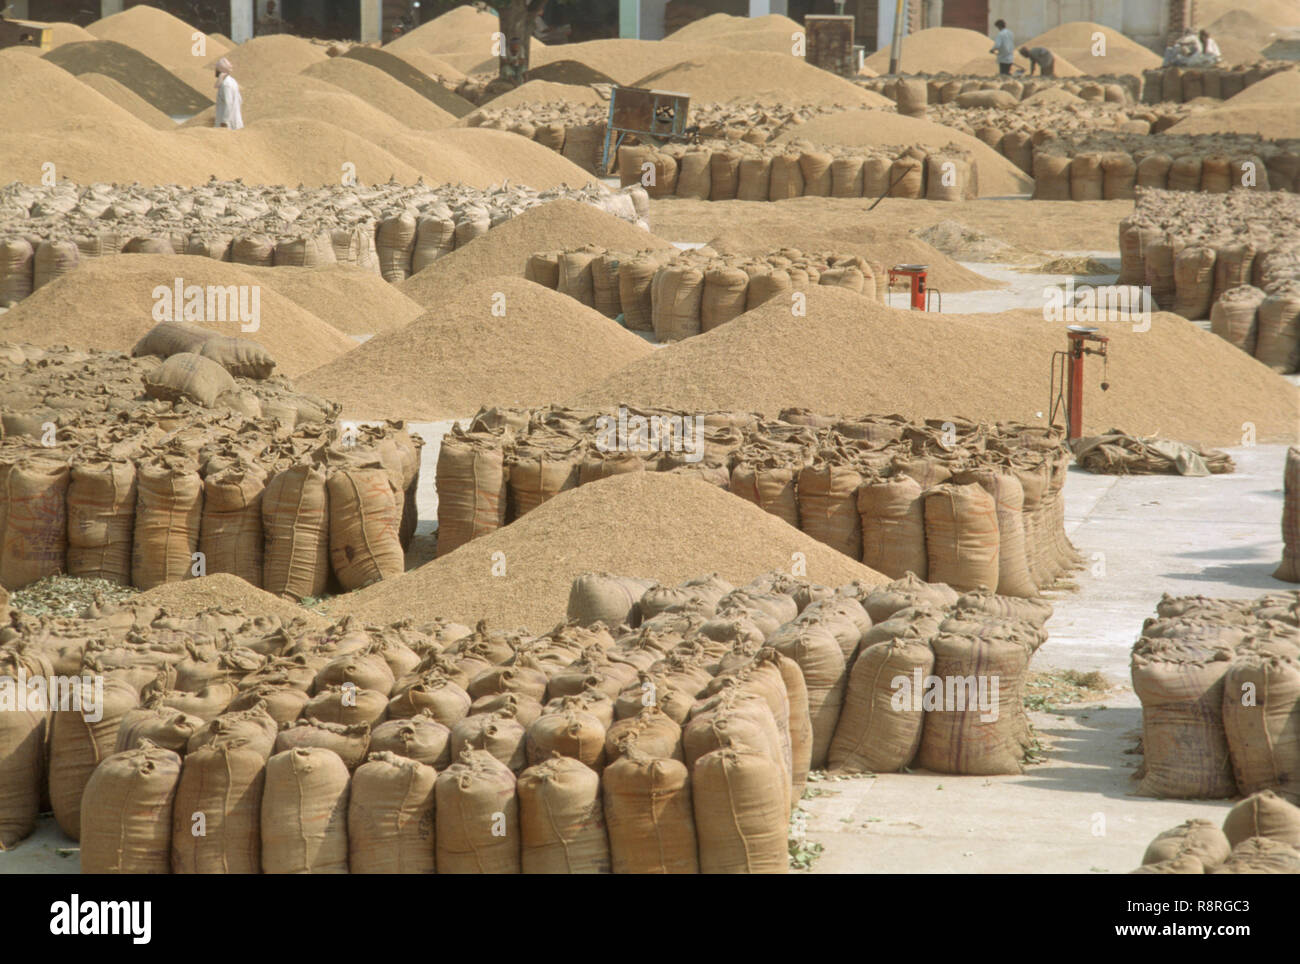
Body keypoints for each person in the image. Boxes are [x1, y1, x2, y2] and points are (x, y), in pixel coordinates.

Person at [213, 57, 243, 130]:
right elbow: (240, 100)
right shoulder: (233, 81)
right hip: (236, 121)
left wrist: (224, 121)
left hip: (228, 125)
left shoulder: (226, 84)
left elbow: (228, 103)